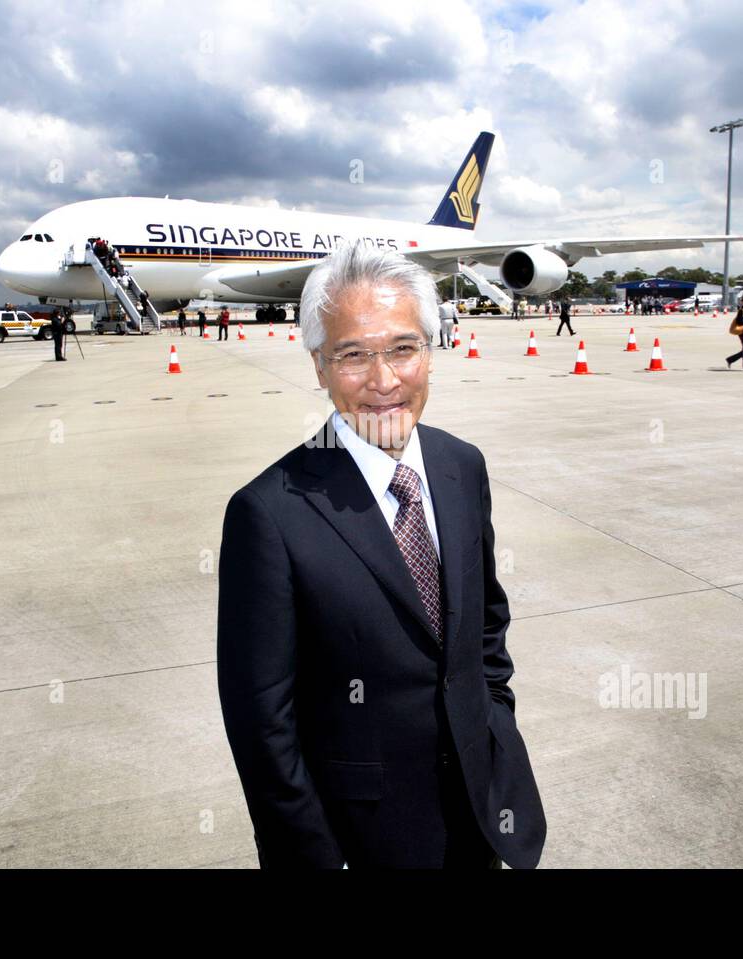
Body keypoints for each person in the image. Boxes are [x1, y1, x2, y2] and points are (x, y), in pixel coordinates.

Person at [217, 243, 545, 869]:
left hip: (481, 811)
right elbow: (263, 726)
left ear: (431, 349)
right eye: (353, 355)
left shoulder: (459, 464)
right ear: (318, 364)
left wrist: (493, 727)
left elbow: (483, 630)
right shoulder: (268, 514)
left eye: (402, 348)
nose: (384, 380)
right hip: (363, 838)